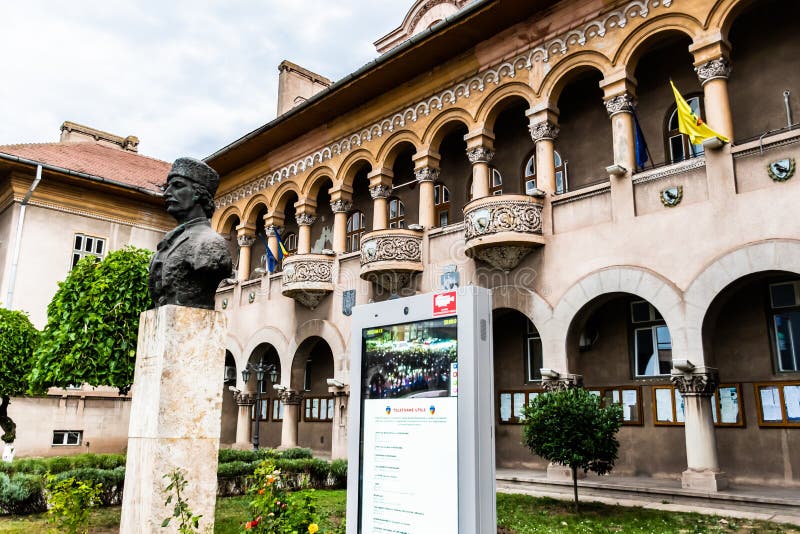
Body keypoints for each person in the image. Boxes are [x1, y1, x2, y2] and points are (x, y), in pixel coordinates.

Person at [148, 157, 232, 309]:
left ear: (198, 194)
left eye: (177, 186)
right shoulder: (169, 242)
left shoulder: (209, 242)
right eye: (168, 186)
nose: (167, 193)